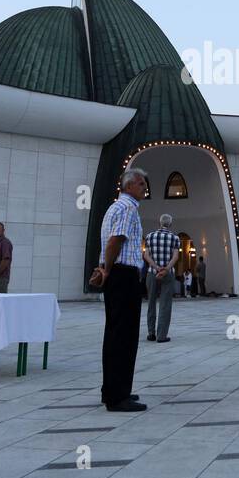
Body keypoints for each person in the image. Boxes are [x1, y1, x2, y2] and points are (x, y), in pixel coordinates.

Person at [90, 168, 149, 411]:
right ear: (129, 185)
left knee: (115, 334)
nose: (145, 188)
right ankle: (118, 397)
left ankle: (112, 390)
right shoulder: (128, 208)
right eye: (142, 184)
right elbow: (116, 239)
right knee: (124, 336)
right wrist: (108, 268)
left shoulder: (114, 207)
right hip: (123, 275)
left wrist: (105, 267)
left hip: (117, 274)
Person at [143, 213, 181, 343]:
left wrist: (156, 267)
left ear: (159, 223)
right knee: (165, 304)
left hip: (152, 272)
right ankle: (161, 336)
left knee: (151, 302)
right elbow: (175, 257)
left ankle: (151, 333)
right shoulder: (175, 238)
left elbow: (146, 256)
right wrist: (166, 269)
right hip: (168, 274)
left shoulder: (149, 236)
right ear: (170, 224)